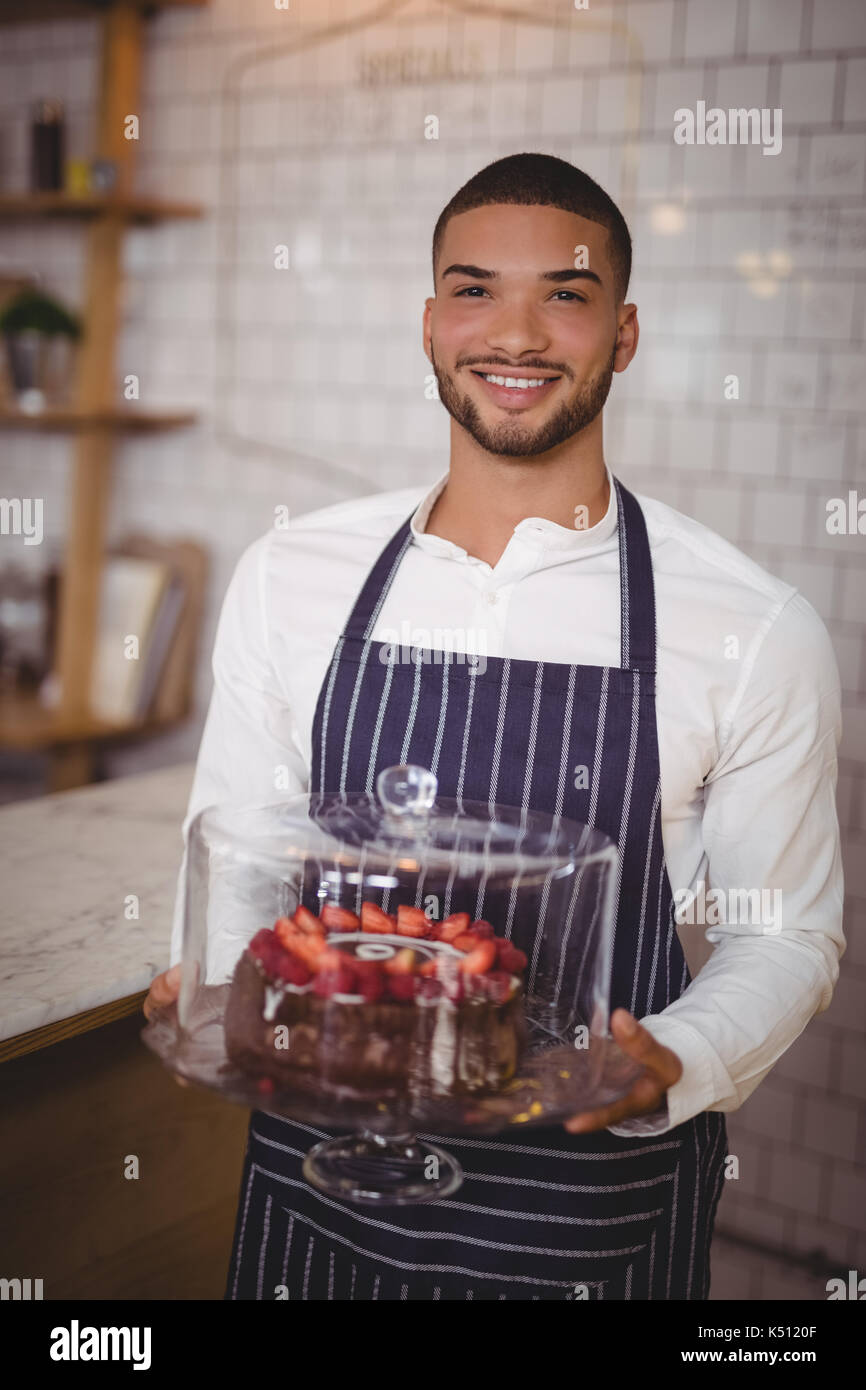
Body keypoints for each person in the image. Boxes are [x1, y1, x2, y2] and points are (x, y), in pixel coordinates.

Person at [144, 152, 844, 1301]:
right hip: (317, 1191)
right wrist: (218, 994)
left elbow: (785, 935)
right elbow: (240, 855)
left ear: (621, 334)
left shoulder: (751, 627)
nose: (514, 333)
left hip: (584, 1221)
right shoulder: (292, 577)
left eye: (562, 294)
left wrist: (674, 1058)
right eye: (474, 290)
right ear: (427, 325)